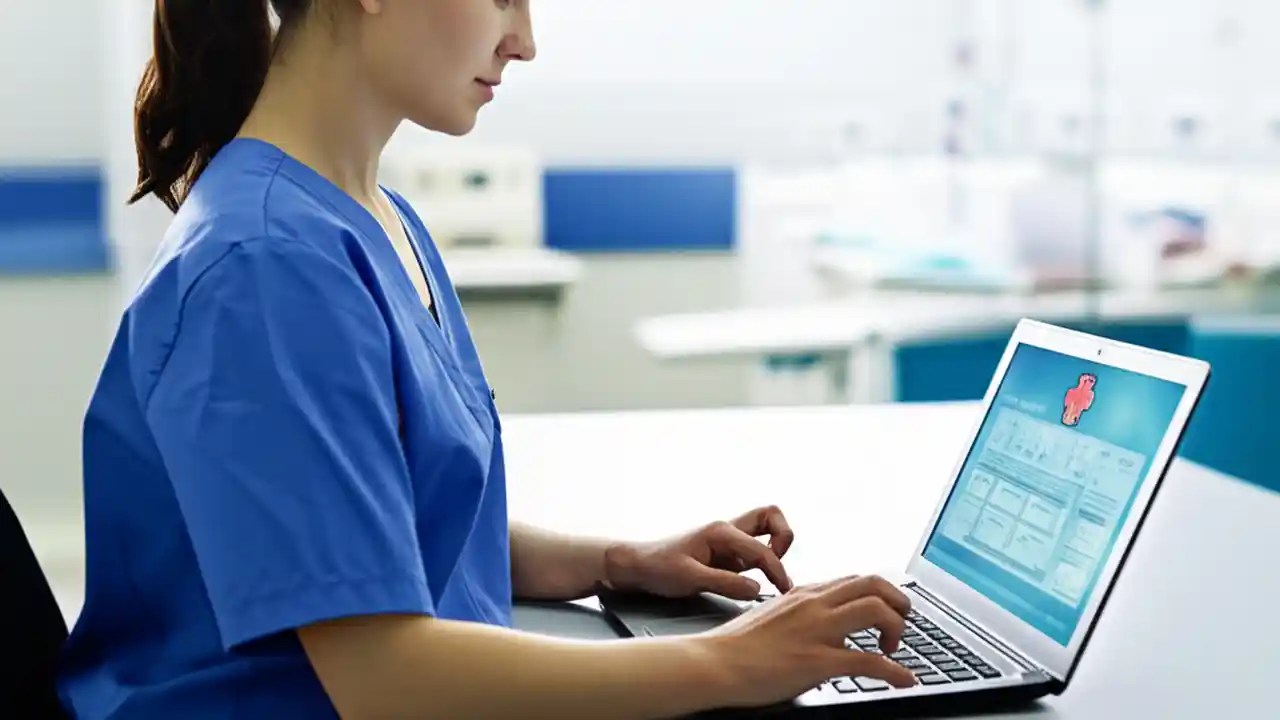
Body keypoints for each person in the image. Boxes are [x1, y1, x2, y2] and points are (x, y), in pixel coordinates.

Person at [56, 1, 916, 718]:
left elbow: (392, 522)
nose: (525, 38)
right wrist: (729, 662)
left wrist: (616, 561)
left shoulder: (371, 218)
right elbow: (381, 673)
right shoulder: (268, 266)